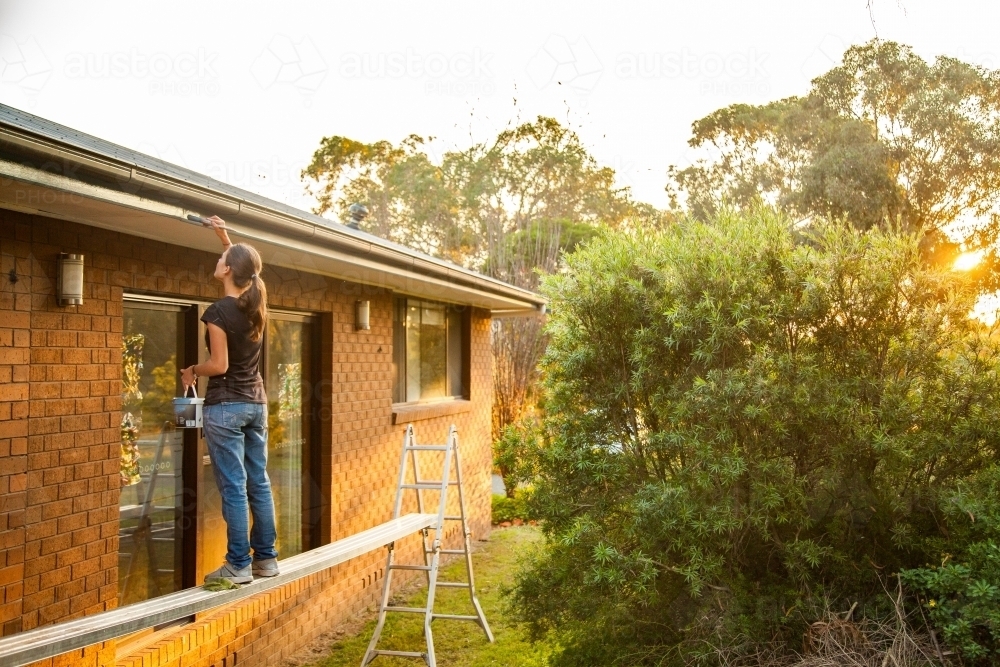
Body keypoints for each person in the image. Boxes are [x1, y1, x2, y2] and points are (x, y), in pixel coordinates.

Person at [180, 216, 279, 584]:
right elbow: (245, 264)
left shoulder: (218, 312)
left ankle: (238, 564)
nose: (218, 261)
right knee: (259, 481)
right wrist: (223, 236)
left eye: (223, 258)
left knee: (234, 486)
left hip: (226, 406)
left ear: (227, 270)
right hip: (256, 403)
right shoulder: (257, 302)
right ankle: (266, 560)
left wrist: (192, 370)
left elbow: (218, 365)